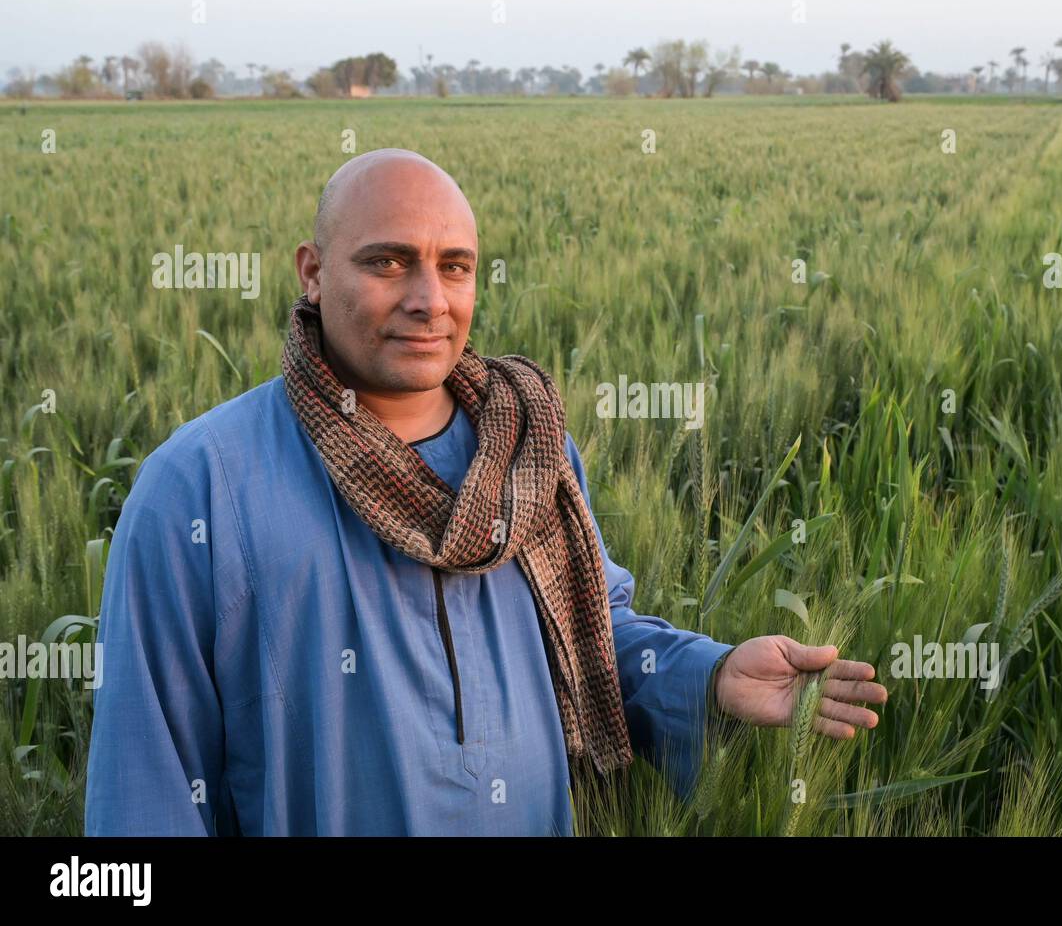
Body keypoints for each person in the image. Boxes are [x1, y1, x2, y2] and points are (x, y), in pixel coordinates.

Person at [83, 148, 887, 835]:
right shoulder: (198, 488)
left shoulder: (531, 447)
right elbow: (145, 784)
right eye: (388, 261)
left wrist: (708, 679)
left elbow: (594, 637)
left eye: (454, 266)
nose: (430, 299)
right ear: (314, 273)